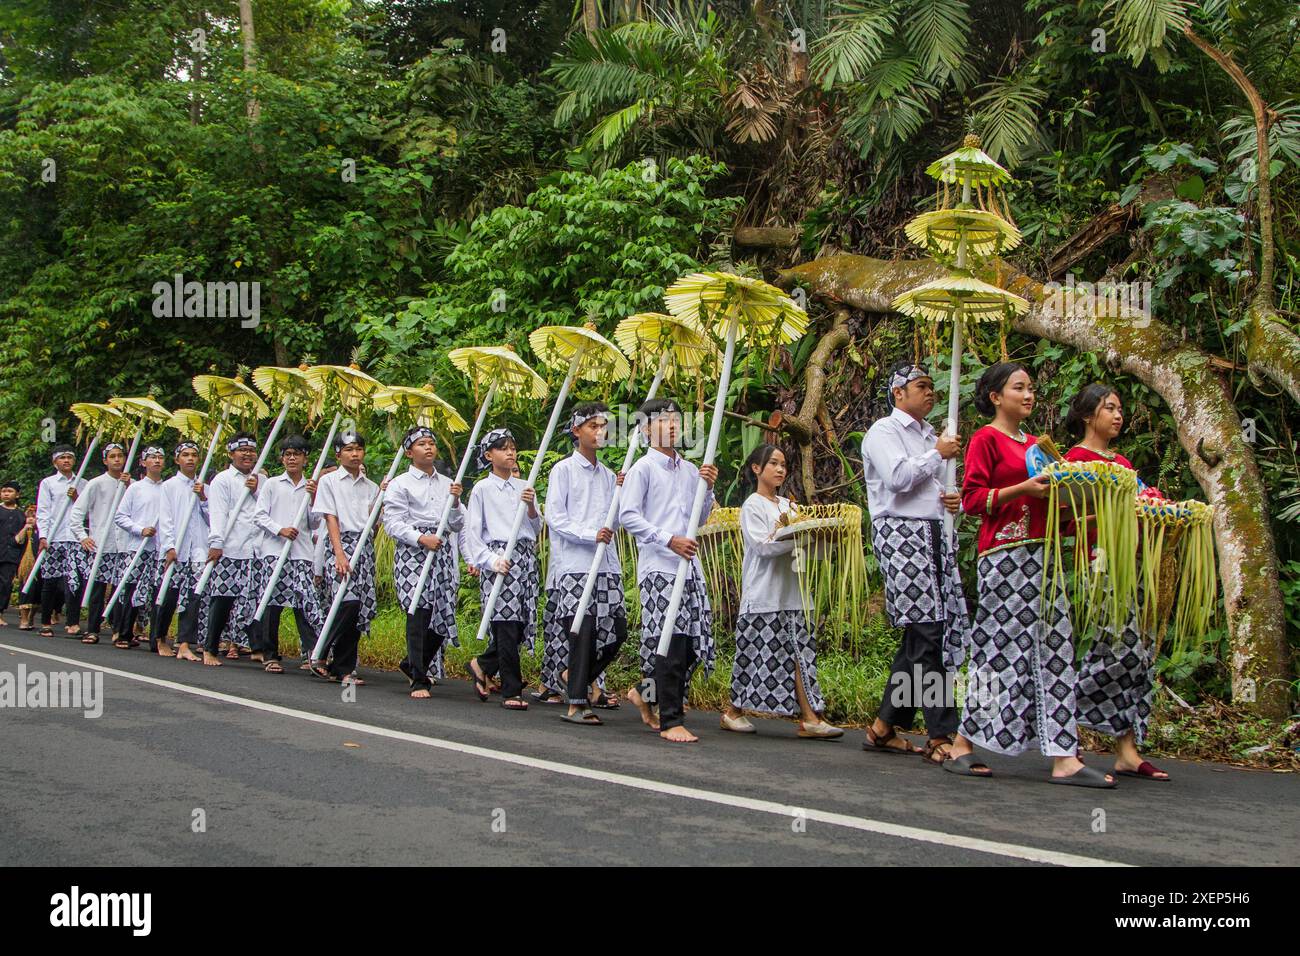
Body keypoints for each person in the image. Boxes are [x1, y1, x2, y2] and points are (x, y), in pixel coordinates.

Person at [944, 362, 1116, 787]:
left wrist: (1102, 510)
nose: (1028, 394)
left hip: (1046, 557)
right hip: (1004, 556)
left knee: (1056, 649)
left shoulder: (1041, 447)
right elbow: (971, 500)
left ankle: (1064, 756)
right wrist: (1024, 488)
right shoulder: (986, 439)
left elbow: (1058, 510)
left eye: (1031, 388)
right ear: (995, 398)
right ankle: (963, 743)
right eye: (1018, 388)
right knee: (997, 649)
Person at [859, 362, 971, 762]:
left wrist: (948, 497)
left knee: (921, 632)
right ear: (898, 392)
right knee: (927, 632)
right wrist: (937, 455)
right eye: (921, 386)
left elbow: (927, 487)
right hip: (901, 535)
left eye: (931, 387)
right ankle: (942, 734)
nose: (929, 393)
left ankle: (884, 726)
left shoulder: (929, 436)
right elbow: (898, 479)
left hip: (932, 534)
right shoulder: (883, 432)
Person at [1064, 383, 1169, 782]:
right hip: (1103, 564)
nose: (1118, 414)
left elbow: (1142, 506)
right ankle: (1063, 706)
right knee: (1116, 650)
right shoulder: (1076, 460)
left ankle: (1126, 749)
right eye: (1109, 408)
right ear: (1089, 416)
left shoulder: (1123, 463)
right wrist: (1115, 513)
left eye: (1120, 408)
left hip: (1137, 562)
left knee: (1140, 653)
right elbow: (1070, 522)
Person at [721, 444, 843, 739]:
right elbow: (763, 546)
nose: (780, 469)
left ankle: (812, 717)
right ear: (756, 469)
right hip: (763, 596)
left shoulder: (791, 507)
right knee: (754, 655)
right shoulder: (752, 505)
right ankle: (734, 712)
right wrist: (801, 541)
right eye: (773, 463)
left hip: (796, 595)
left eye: (783, 465)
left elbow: (812, 551)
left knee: (801, 656)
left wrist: (829, 539)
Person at [618, 398, 719, 744]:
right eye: (663, 420)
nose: (672, 424)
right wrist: (667, 539)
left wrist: (707, 489)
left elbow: (700, 519)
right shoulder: (642, 469)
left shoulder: (691, 471)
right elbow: (628, 515)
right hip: (660, 567)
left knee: (692, 642)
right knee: (671, 641)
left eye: (676, 419)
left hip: (689, 568)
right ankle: (670, 719)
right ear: (646, 429)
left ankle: (642, 691)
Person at [544, 403, 629, 726]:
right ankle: (577, 703)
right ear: (577, 430)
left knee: (617, 631)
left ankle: (573, 678)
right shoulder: (563, 470)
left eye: (604, 426)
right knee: (584, 632)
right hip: (576, 563)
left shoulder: (609, 476)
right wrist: (589, 535)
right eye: (593, 426)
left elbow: (617, 521)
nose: (600, 432)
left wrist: (623, 491)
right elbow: (556, 517)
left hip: (607, 565)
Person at [383, 426, 464, 700]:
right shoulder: (399, 484)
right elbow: (393, 523)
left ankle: (412, 662)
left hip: (440, 552)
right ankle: (418, 677)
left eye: (431, 443)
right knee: (417, 611)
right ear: (409, 452)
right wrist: (420, 538)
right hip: (412, 553)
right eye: (421, 444)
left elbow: (457, 523)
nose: (428, 448)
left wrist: (454, 503)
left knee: (442, 614)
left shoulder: (447, 483)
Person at [464, 428, 541, 711]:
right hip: (499, 558)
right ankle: (511, 686)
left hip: (524, 558)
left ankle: (482, 664)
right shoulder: (482, 490)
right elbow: (473, 534)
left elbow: (535, 528)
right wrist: (490, 560)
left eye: (512, 447)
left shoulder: (524, 486)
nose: (510, 452)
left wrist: (532, 506)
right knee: (505, 623)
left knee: (521, 623)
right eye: (502, 448)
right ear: (488, 455)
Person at [311, 431, 379, 686]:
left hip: (364, 547)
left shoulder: (371, 487)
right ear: (338, 453)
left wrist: (380, 501)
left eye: (358, 449)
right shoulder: (329, 482)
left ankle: (344, 667)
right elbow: (331, 518)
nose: (354, 454)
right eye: (348, 449)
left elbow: (373, 526)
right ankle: (319, 651)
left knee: (358, 607)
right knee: (346, 601)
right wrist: (339, 554)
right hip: (339, 544)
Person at [252, 435, 324, 675]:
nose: (292, 458)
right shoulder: (272, 484)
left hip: (302, 553)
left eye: (297, 454)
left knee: (304, 602)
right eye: (287, 454)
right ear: (282, 458)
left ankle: (312, 654)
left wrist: (313, 498)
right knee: (272, 604)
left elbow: (314, 522)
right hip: (274, 551)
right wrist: (279, 529)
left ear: (305, 458)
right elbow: (259, 515)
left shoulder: (310, 487)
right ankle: (270, 655)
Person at [204, 432, 265, 664]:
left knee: (254, 599)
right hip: (230, 548)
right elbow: (217, 513)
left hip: (255, 549)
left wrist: (257, 489)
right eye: (242, 450)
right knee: (223, 599)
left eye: (251, 450)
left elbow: (266, 510)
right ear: (231, 453)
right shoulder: (222, 480)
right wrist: (216, 542)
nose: (247, 454)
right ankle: (210, 648)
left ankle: (256, 647)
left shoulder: (262, 480)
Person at [67, 442, 132, 644]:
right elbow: (77, 513)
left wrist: (129, 486)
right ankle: (93, 629)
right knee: (97, 588)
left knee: (121, 590)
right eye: (112, 456)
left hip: (124, 545)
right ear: (105, 460)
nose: (117, 460)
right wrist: (82, 536)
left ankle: (118, 630)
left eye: (120, 455)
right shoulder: (95, 483)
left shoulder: (132, 484)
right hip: (101, 544)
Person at [153, 440, 211, 663]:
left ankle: (185, 643)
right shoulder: (169, 486)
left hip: (197, 549)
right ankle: (159, 639)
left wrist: (203, 498)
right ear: (177, 459)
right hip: (175, 549)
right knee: (168, 596)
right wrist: (169, 546)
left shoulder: (204, 486)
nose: (190, 459)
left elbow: (210, 518)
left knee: (193, 598)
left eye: (194, 455)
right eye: (185, 455)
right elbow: (165, 518)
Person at [113, 447, 167, 652]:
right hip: (137, 547)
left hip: (160, 549)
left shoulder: (168, 487)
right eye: (152, 458)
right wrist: (139, 530)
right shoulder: (135, 488)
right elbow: (120, 516)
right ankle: (124, 633)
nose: (157, 461)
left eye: (160, 457)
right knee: (132, 589)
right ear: (143, 462)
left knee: (157, 592)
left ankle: (156, 638)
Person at [34, 445, 89, 637]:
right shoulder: (48, 483)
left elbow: (89, 511)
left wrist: (77, 498)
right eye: (62, 458)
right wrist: (43, 536)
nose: (66, 461)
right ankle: (46, 621)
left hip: (75, 538)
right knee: (50, 580)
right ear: (55, 462)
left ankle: (72, 622)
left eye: (69, 457)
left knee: (75, 580)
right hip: (54, 537)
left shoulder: (83, 482)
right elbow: (43, 511)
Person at [0, 481, 28, 627]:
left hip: (11, 554)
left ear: (17, 494)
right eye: (3, 491)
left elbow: (23, 538)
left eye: (9, 491)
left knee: (5, 584)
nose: (6, 494)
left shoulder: (21, 515)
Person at [14, 503, 39, 631]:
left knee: (37, 593)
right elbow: (17, 540)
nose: (30, 519)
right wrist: (25, 528)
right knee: (25, 591)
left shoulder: (41, 532)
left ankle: (31, 617)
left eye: (33, 516)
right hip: (26, 566)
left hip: (38, 564)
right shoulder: (24, 530)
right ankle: (23, 619)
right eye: (28, 516)